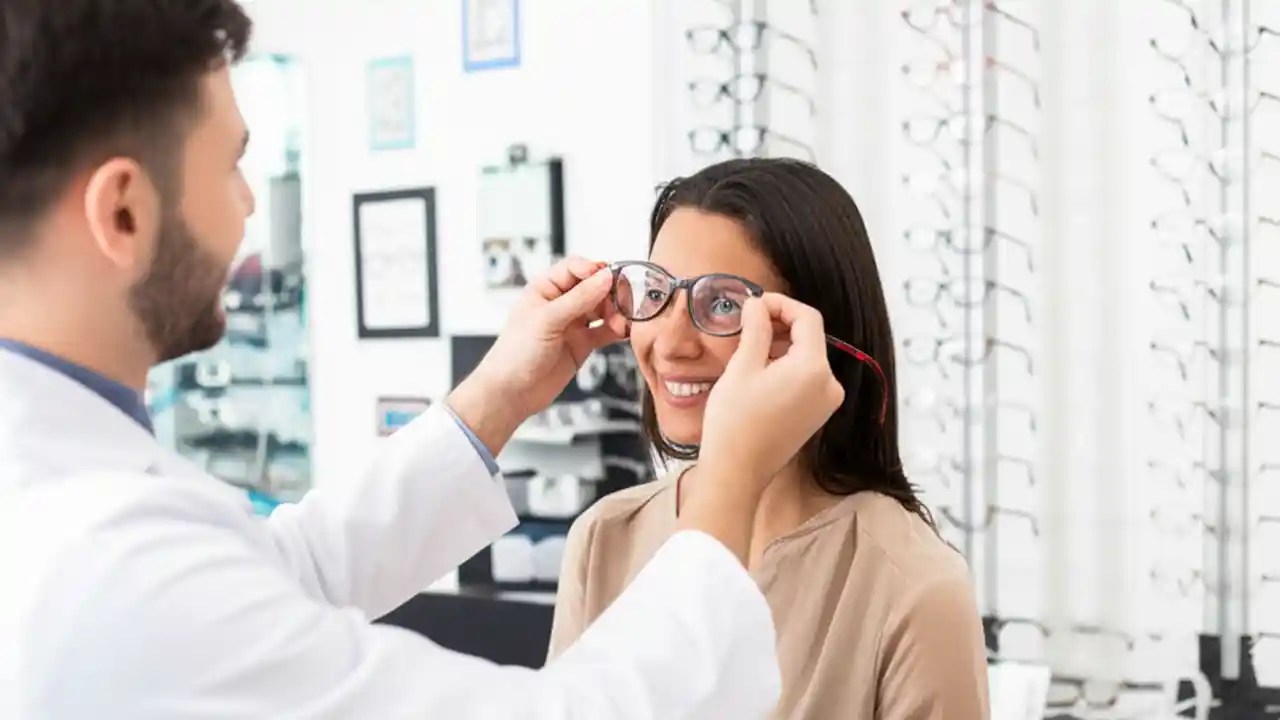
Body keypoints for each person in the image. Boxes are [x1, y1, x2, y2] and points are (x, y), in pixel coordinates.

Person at [0, 2, 849, 717]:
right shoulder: (112, 568)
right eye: (230, 167)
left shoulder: (72, 501)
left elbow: (291, 572)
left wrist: (496, 399)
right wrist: (733, 473)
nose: (251, 206)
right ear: (123, 213)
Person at [547, 158, 991, 718]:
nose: (672, 344)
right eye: (655, 292)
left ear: (816, 339)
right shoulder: (604, 539)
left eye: (725, 303)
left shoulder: (913, 585)